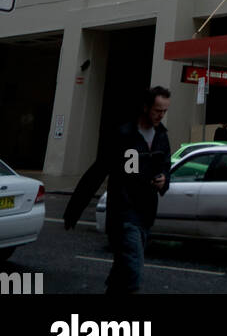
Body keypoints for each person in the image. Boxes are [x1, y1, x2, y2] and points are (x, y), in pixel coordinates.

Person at [64, 85, 172, 294]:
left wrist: (164, 180)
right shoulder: (124, 134)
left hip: (146, 213)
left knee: (122, 269)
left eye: (165, 111)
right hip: (123, 213)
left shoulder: (161, 136)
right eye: (158, 110)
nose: (161, 115)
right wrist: (74, 209)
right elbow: (98, 170)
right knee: (133, 272)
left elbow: (165, 165)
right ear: (146, 107)